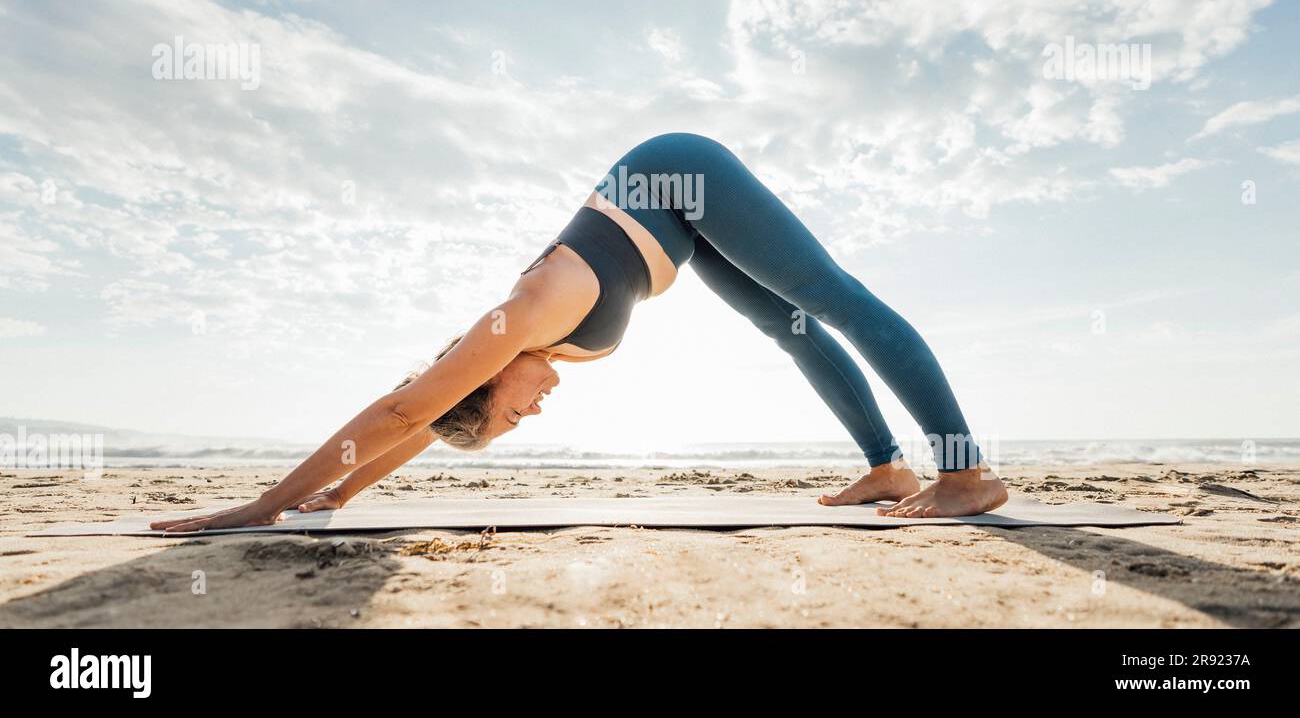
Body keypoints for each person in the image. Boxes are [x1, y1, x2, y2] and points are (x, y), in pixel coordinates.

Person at [151, 132, 1006, 533]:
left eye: (513, 416)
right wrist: (339, 493)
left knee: (827, 296)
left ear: (487, 378)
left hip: (678, 177)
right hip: (680, 230)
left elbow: (409, 410)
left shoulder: (523, 318)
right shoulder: (520, 351)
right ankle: (888, 469)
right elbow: (427, 427)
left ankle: (964, 469)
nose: (533, 414)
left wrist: (265, 506)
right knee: (790, 329)